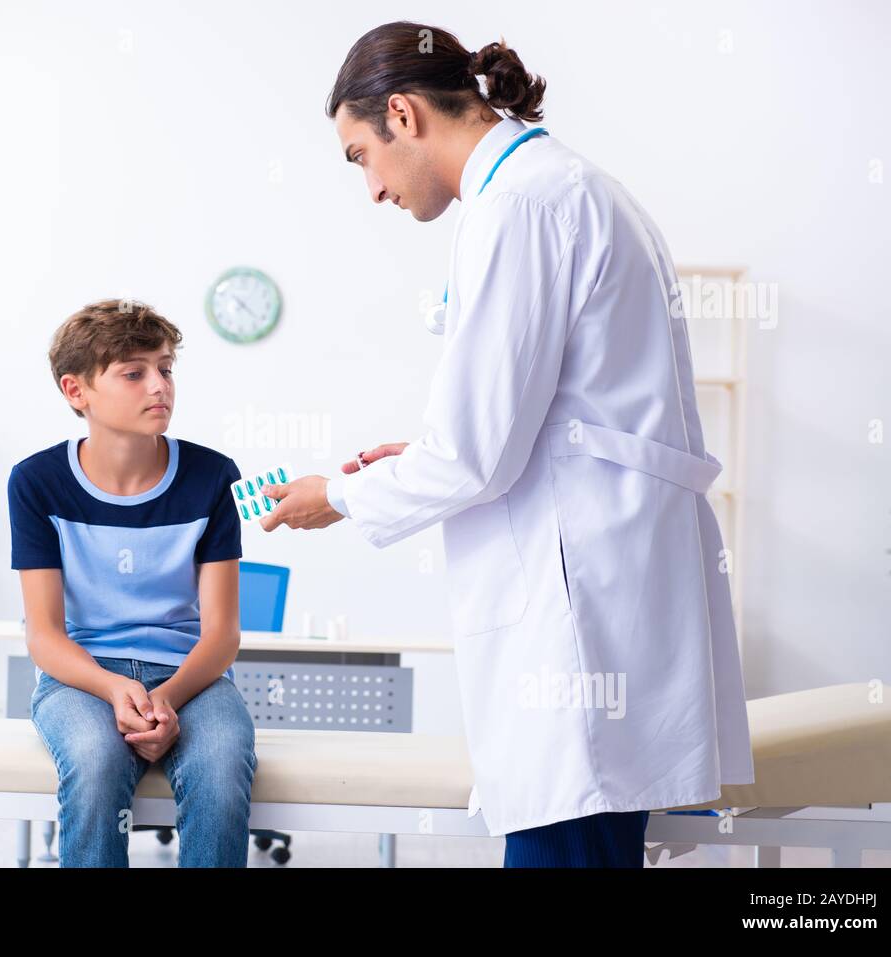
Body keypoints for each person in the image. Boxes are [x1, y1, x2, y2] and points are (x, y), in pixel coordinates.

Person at [260, 22, 755, 867]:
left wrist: (337, 496)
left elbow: (475, 456)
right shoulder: (557, 186)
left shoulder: (519, 206)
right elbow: (535, 420)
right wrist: (423, 452)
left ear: (405, 116)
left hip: (580, 611)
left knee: (565, 840)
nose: (371, 189)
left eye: (359, 157)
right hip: (603, 581)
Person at [8, 298, 257, 867]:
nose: (159, 386)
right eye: (133, 373)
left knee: (221, 768)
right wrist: (114, 689)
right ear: (76, 391)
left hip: (189, 677)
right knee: (94, 764)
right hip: (81, 678)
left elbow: (221, 634)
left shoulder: (212, 476)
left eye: (166, 369)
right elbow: (44, 637)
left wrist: (164, 699)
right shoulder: (36, 482)